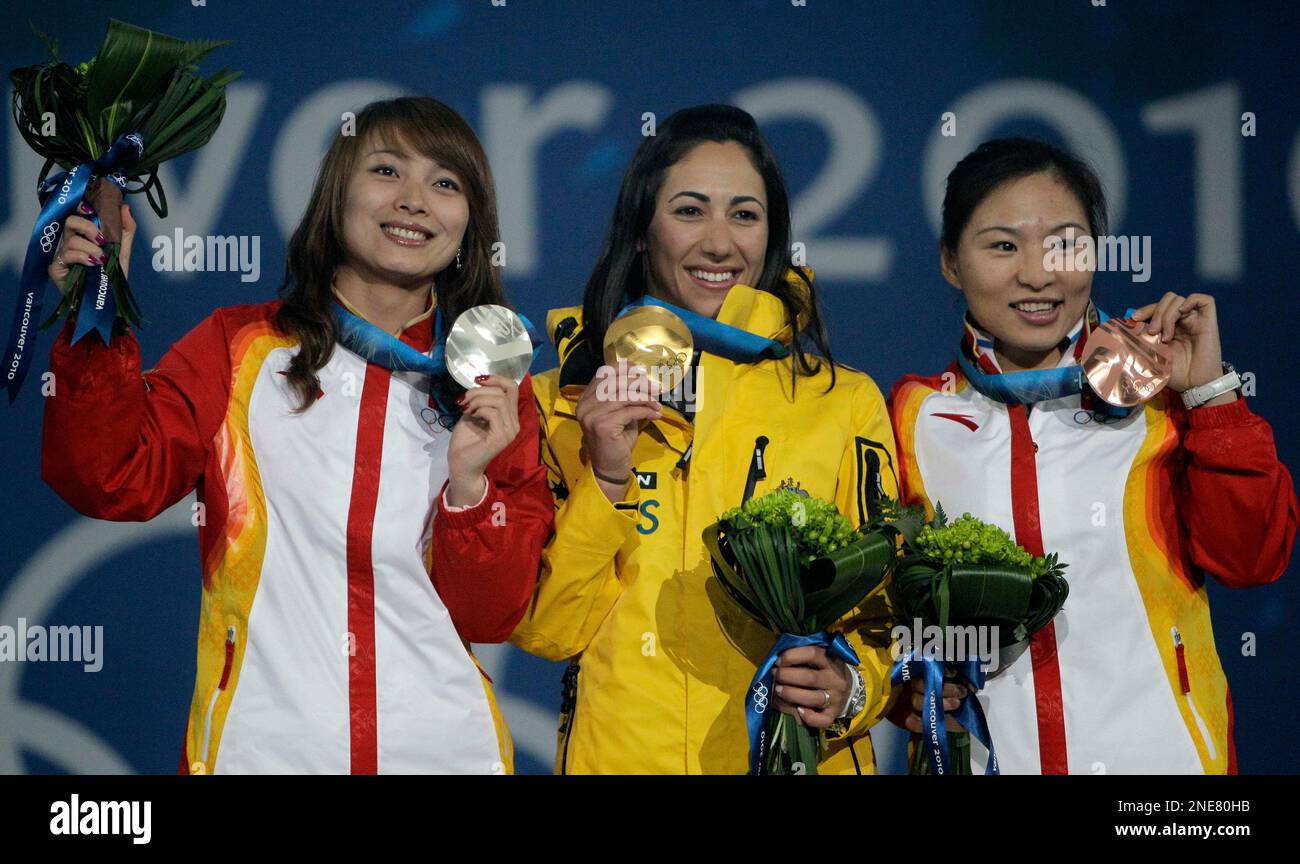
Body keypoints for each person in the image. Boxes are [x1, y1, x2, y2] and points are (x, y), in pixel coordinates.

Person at [40, 97, 553, 774]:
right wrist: (94, 319)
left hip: (447, 756)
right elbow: (110, 478)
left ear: (471, 225)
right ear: (335, 195)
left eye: (446, 183)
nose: (415, 201)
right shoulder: (240, 348)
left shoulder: (488, 388)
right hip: (265, 757)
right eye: (386, 170)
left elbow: (490, 615)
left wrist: (470, 486)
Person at [889, 137, 1298, 773]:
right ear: (950, 262)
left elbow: (1254, 558)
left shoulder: (1163, 391)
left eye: (1065, 244)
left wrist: (1210, 395)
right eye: (1003, 245)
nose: (1038, 274)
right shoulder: (916, 418)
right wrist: (907, 683)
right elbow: (887, 616)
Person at [510, 104, 899, 774]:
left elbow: (886, 611)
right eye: (690, 211)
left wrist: (852, 687)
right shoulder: (563, 402)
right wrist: (605, 479)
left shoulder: (842, 400)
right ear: (639, 231)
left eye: (744, 215)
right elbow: (549, 630)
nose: (720, 243)